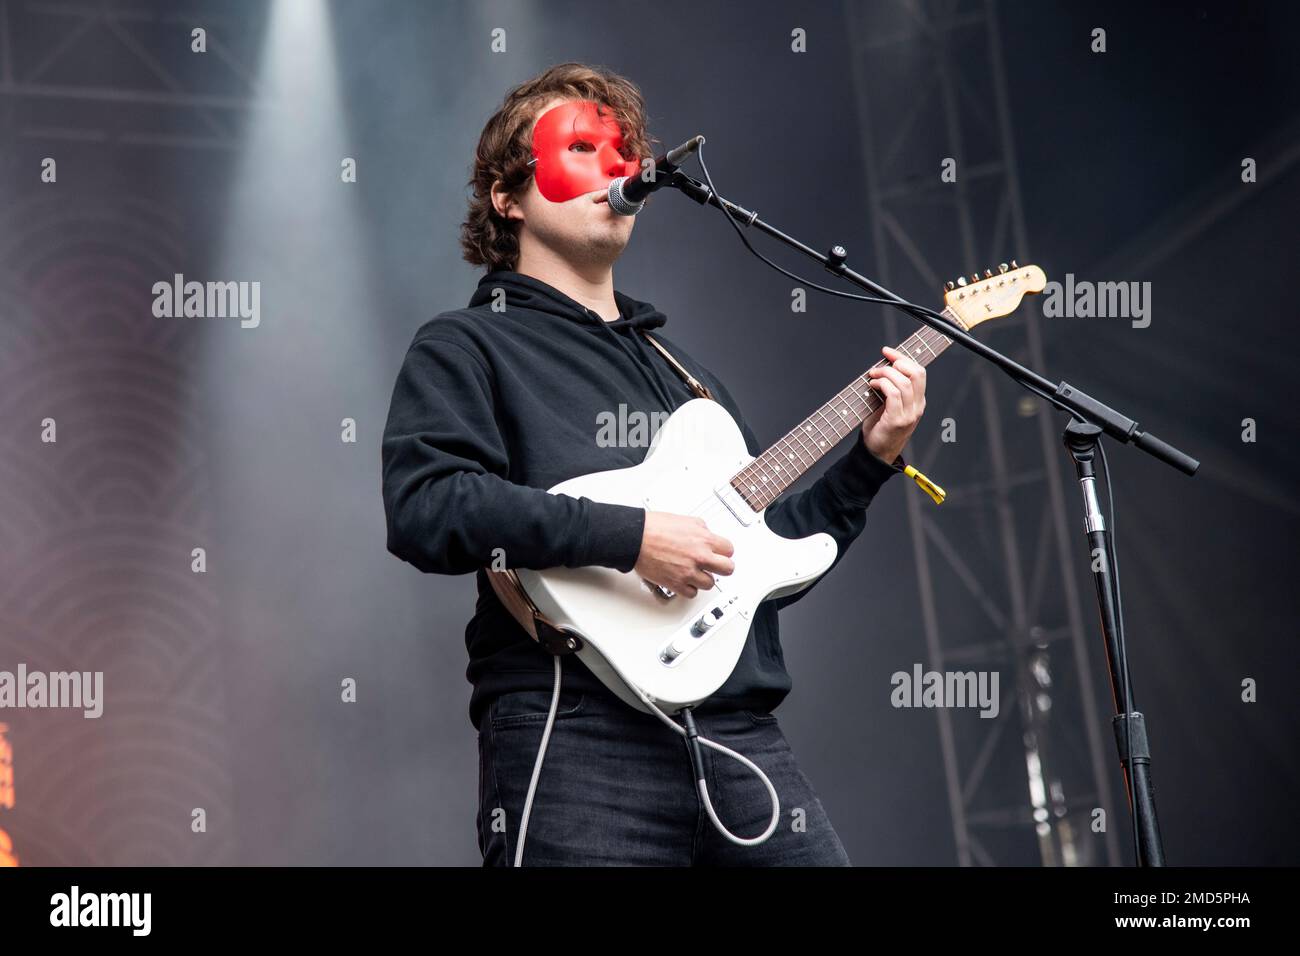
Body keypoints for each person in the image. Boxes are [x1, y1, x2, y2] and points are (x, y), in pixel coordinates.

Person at [381, 62, 927, 866]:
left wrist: (869, 464)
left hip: (742, 741)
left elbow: (758, 566)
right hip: (575, 739)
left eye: (624, 152)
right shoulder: (466, 346)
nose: (617, 168)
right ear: (507, 195)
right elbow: (429, 509)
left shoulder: (686, 376)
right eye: (583, 147)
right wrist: (631, 535)